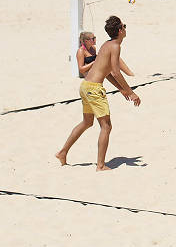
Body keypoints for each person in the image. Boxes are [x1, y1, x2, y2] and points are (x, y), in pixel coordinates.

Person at [56, 15, 141, 171]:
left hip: (86, 86)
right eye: (124, 26)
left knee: (87, 122)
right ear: (120, 30)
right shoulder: (115, 46)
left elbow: (107, 72)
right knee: (106, 126)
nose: (125, 28)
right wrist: (131, 92)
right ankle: (100, 166)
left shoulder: (106, 44)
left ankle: (63, 152)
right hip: (94, 89)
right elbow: (116, 72)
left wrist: (122, 89)